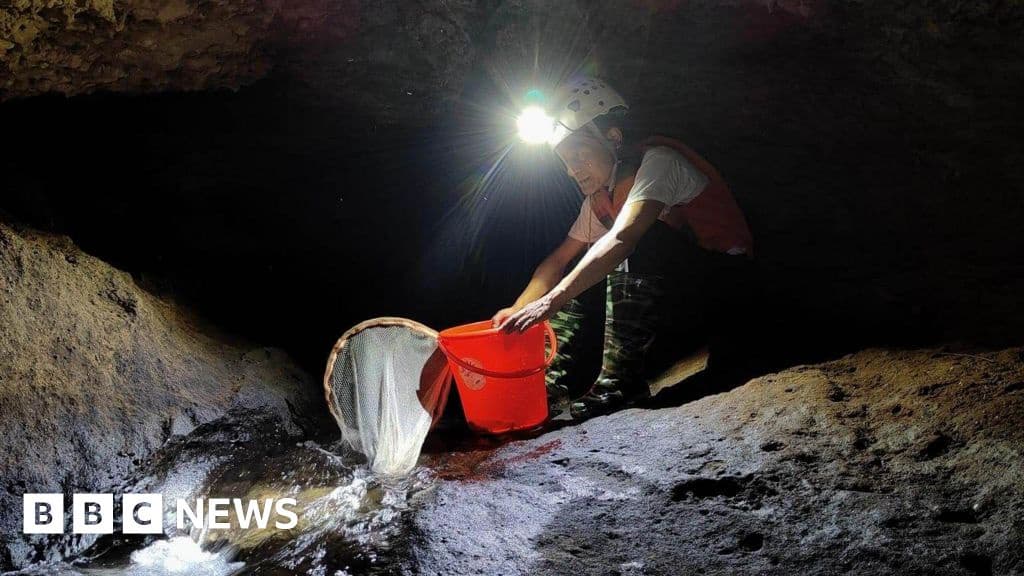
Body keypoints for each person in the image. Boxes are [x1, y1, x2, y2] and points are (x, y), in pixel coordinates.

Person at [493, 75, 754, 420]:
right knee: (581, 268)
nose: (571, 170)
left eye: (579, 155)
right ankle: (548, 386)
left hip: (729, 288)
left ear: (613, 138)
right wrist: (518, 310)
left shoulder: (659, 162)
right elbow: (558, 260)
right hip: (679, 300)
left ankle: (620, 383)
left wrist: (550, 301)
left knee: (625, 245)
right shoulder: (602, 196)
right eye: (564, 161)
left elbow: (623, 239)